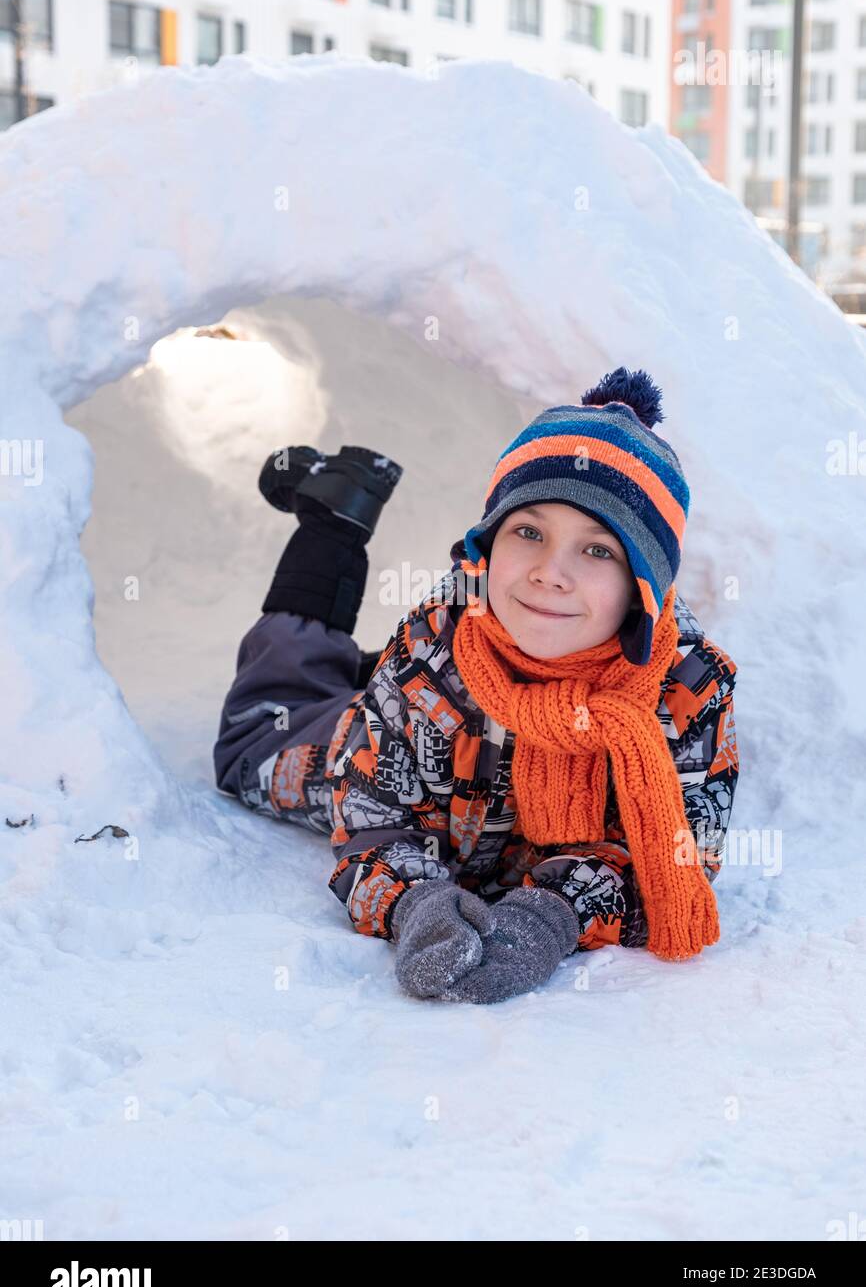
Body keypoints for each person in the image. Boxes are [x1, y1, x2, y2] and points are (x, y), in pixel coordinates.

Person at [213, 368, 740, 1005]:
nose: (550, 572)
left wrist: (549, 917)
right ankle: (333, 522)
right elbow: (376, 820)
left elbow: (678, 849)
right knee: (254, 736)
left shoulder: (686, 686)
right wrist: (418, 902)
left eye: (598, 550)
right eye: (529, 532)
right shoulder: (435, 645)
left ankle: (365, 670)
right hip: (406, 727)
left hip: (465, 729)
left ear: (642, 590)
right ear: (485, 548)